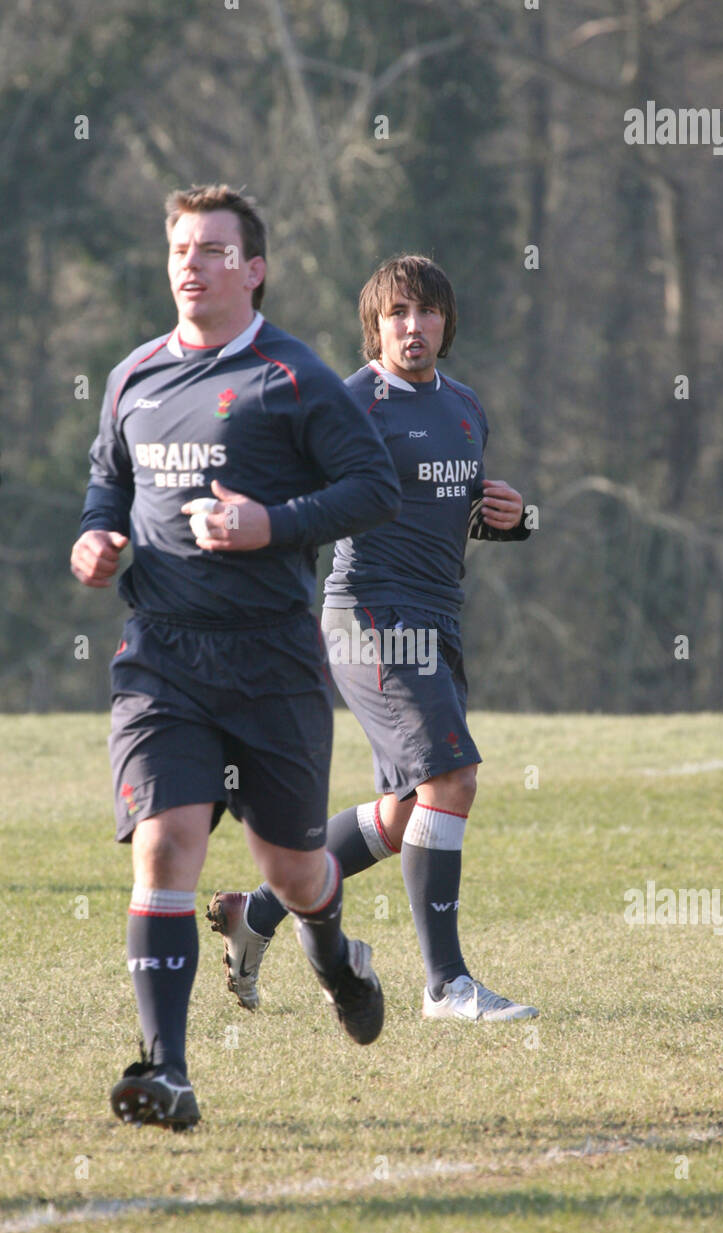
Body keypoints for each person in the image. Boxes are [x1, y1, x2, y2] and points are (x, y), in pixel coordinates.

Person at [70, 185, 401, 1131]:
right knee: (167, 845)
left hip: (272, 662)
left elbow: (372, 487)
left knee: (291, 870)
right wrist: (95, 540)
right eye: (181, 248)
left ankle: (334, 953)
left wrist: (271, 525)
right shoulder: (133, 376)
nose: (192, 264)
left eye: (214, 250)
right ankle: (166, 1070)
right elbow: (108, 483)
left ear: (252, 269)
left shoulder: (293, 378)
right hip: (162, 659)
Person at [208, 254, 538, 1024]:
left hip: (437, 621)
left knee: (401, 814)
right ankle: (446, 986)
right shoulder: (351, 404)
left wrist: (522, 521)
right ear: (375, 327)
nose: (413, 327)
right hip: (367, 618)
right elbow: (294, 507)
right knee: (452, 781)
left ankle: (255, 913)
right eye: (397, 314)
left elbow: (452, 515)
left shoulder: (464, 406)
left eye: (426, 312)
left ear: (447, 322)